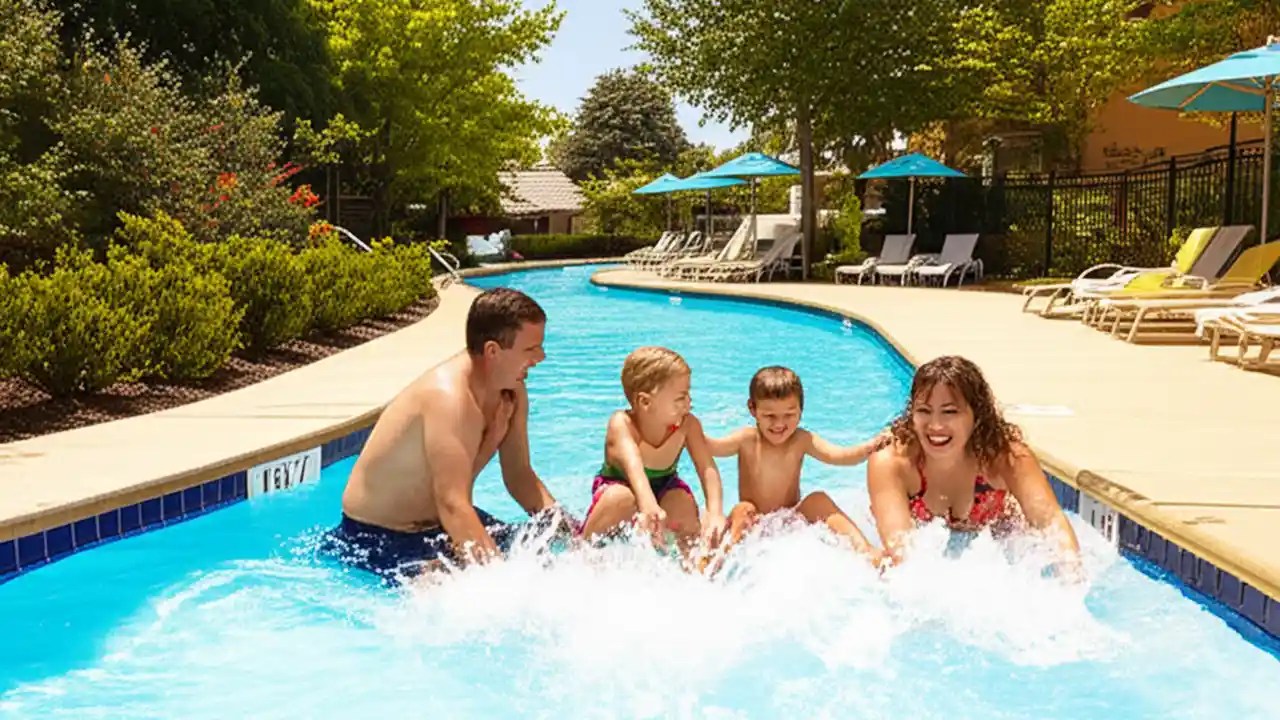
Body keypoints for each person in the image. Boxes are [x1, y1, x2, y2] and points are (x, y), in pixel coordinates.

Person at [327, 287, 573, 581]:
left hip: (437, 526)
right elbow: (452, 503)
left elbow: (520, 476)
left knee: (543, 555)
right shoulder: (449, 399)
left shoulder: (511, 390)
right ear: (493, 351)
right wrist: (502, 583)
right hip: (377, 536)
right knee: (446, 586)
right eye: (531, 349)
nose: (541, 357)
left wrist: (573, 537)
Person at [866, 355, 1082, 573]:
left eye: (949, 412)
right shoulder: (893, 463)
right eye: (924, 411)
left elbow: (1051, 524)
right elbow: (903, 555)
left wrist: (1072, 579)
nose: (935, 425)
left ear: (977, 416)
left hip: (999, 543)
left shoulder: (1006, 459)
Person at [705, 366, 887, 565]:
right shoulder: (746, 439)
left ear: (801, 410)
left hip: (789, 519)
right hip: (754, 521)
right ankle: (717, 561)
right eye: (770, 416)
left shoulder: (801, 439)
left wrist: (870, 447)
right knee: (743, 509)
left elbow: (839, 456)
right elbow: (712, 447)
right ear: (753, 409)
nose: (779, 424)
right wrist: (689, 425)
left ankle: (864, 549)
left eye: (789, 415)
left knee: (818, 499)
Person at [579, 346, 727, 558]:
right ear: (645, 402)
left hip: (664, 486)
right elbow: (634, 467)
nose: (689, 403)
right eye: (681, 397)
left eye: (688, 394)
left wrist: (716, 513)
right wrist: (648, 505)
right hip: (624, 487)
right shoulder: (622, 424)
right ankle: (582, 556)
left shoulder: (688, 425)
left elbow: (707, 468)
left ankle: (694, 565)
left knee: (682, 503)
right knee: (620, 498)